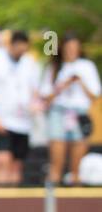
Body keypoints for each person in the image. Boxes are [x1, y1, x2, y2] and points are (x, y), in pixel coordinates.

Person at [0, 30, 39, 185]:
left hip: (23, 121)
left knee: (16, 164)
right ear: (12, 44)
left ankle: (12, 202)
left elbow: (35, 90)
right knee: (2, 159)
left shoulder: (29, 62)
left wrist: (35, 105)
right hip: (1, 119)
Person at [37, 32, 100, 185]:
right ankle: (51, 202)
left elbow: (94, 95)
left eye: (75, 47)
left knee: (76, 167)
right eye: (69, 47)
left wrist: (80, 81)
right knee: (56, 163)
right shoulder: (54, 66)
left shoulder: (87, 66)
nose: (72, 50)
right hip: (58, 112)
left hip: (79, 114)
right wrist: (63, 85)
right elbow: (45, 96)